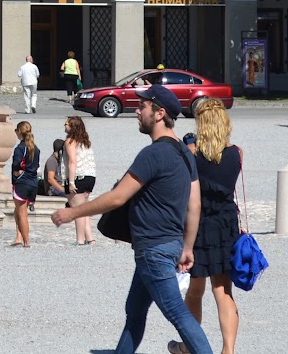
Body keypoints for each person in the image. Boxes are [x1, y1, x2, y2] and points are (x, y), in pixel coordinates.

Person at [52, 84, 213, 354]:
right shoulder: (185, 153)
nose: (137, 111)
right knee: (135, 311)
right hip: (167, 245)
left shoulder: (153, 154)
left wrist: (72, 212)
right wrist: (186, 246)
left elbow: (117, 197)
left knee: (177, 313)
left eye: (143, 106)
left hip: (154, 249)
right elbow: (194, 204)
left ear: (160, 113)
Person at [175, 103, 242, 354]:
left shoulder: (193, 156)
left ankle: (190, 345)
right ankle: (229, 349)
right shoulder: (237, 153)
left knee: (195, 290)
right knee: (223, 289)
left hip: (200, 224)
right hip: (225, 223)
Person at [63, 115, 97, 246]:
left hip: (78, 176)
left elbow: (72, 161)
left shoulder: (70, 141)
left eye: (66, 123)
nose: (64, 126)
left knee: (77, 210)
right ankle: (90, 239)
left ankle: (80, 240)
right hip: (90, 176)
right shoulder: (85, 141)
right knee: (84, 209)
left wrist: (71, 182)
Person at [9, 120, 40, 247]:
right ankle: (19, 238)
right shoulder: (35, 148)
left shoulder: (20, 148)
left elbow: (16, 164)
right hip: (33, 182)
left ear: (19, 132)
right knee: (19, 212)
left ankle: (26, 241)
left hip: (22, 181)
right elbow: (36, 165)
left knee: (22, 214)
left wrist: (17, 172)